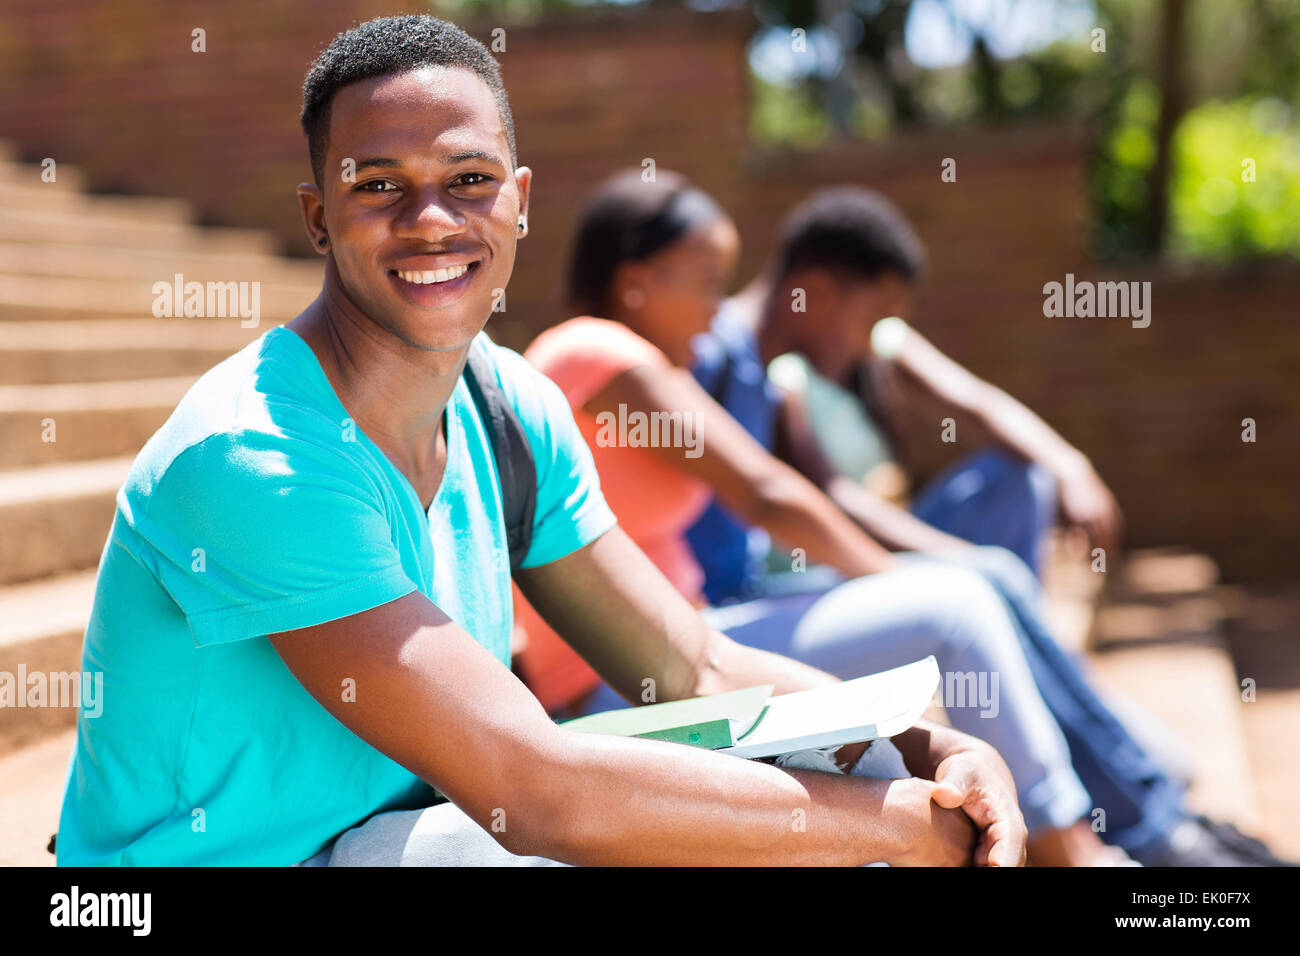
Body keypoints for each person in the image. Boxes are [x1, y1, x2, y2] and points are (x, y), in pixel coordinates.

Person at [53, 14, 1025, 868]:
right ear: (318, 217)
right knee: (668, 832)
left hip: (393, 834)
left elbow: (699, 666)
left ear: (518, 200)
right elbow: (535, 791)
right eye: (379, 184)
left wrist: (921, 748)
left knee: (776, 789)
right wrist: (892, 824)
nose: (430, 219)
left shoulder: (508, 407)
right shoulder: (254, 456)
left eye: (468, 181)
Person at [517, 169, 1137, 866]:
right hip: (621, 683)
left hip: (678, 650)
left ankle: (1100, 814)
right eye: (705, 282)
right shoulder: (597, 350)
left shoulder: (633, 362)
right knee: (956, 605)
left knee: (965, 599)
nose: (717, 308)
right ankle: (1071, 848)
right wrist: (891, 580)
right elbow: (764, 493)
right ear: (634, 285)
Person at [682, 185, 1292, 867]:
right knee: (977, 587)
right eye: (868, 321)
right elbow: (796, 504)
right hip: (728, 617)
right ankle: (1146, 823)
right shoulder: (711, 358)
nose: (868, 344)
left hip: (797, 584)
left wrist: (1055, 469)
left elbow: (844, 478)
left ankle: (1148, 802)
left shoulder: (769, 374)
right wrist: (933, 571)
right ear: (816, 291)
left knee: (999, 532)